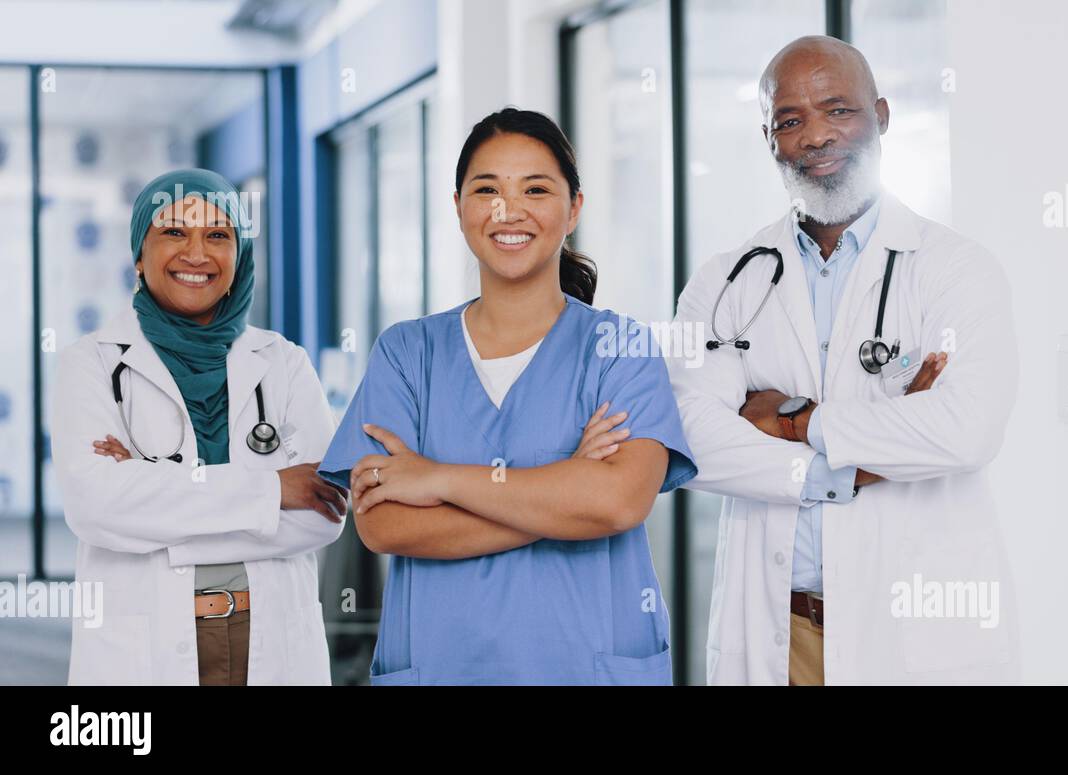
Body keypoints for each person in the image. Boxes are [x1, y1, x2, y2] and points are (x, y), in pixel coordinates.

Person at [669, 36, 1020, 685]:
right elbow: (687, 438)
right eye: (791, 120)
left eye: (838, 110)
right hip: (781, 633)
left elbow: (965, 429)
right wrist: (849, 466)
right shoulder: (726, 283)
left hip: (914, 637)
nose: (816, 137)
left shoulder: (954, 269)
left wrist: (797, 419)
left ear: (881, 116)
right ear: (769, 138)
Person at [318, 108, 696, 686]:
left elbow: (618, 503)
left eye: (536, 189)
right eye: (487, 189)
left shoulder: (620, 346)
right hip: (443, 666)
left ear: (573, 208)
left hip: (586, 666)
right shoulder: (407, 353)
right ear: (459, 207)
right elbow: (385, 525)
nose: (507, 210)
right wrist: (566, 487)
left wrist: (438, 479)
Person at [51, 169, 346, 685]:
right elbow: (94, 507)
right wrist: (274, 489)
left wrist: (153, 507)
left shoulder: (284, 362)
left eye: (217, 235)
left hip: (271, 639)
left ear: (240, 254)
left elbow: (324, 515)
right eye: (173, 233)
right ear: (139, 255)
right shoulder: (91, 363)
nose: (196, 254)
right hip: (145, 649)